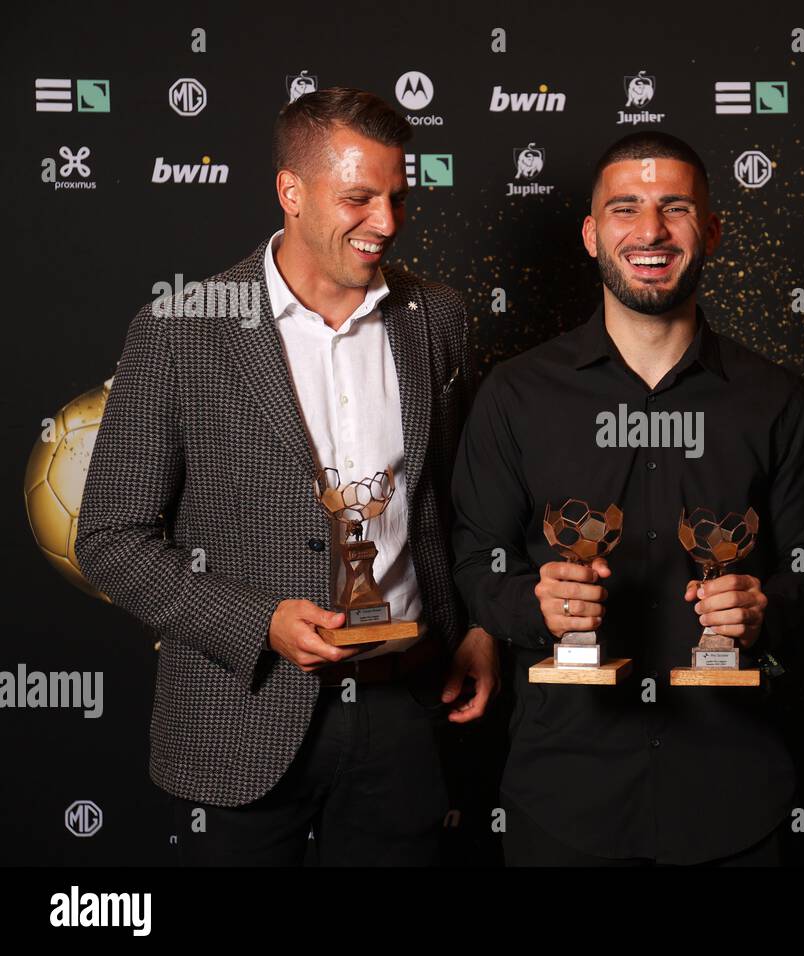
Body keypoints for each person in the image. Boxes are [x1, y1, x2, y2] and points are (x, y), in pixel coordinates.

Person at [76, 87, 497, 866]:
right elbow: (109, 538)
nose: (387, 223)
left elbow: (458, 501)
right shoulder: (179, 329)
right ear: (290, 191)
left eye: (399, 197)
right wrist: (258, 623)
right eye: (359, 198)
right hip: (241, 711)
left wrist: (474, 625)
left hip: (404, 706)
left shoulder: (437, 319)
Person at [451, 131, 804, 866]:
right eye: (625, 209)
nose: (651, 231)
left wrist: (767, 606)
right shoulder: (516, 395)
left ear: (712, 230)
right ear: (593, 235)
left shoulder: (776, 400)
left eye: (675, 208)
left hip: (735, 796)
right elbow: (474, 562)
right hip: (565, 798)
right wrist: (532, 603)